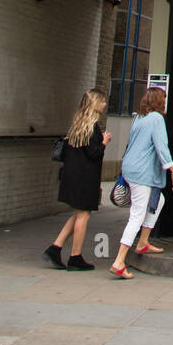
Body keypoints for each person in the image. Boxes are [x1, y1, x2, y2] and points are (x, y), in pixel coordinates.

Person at [109, 87, 173, 280]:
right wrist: (172, 170)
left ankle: (143, 242)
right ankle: (119, 260)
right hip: (142, 172)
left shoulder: (138, 117)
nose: (165, 102)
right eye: (163, 99)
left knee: (159, 201)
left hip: (131, 168)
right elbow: (161, 146)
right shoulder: (156, 119)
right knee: (137, 214)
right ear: (159, 101)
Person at [44, 88, 111, 271]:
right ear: (95, 103)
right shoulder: (92, 127)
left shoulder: (77, 124)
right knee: (83, 215)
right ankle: (75, 257)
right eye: (102, 101)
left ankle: (55, 248)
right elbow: (93, 153)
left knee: (77, 214)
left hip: (72, 175)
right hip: (84, 177)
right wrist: (104, 141)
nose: (104, 104)